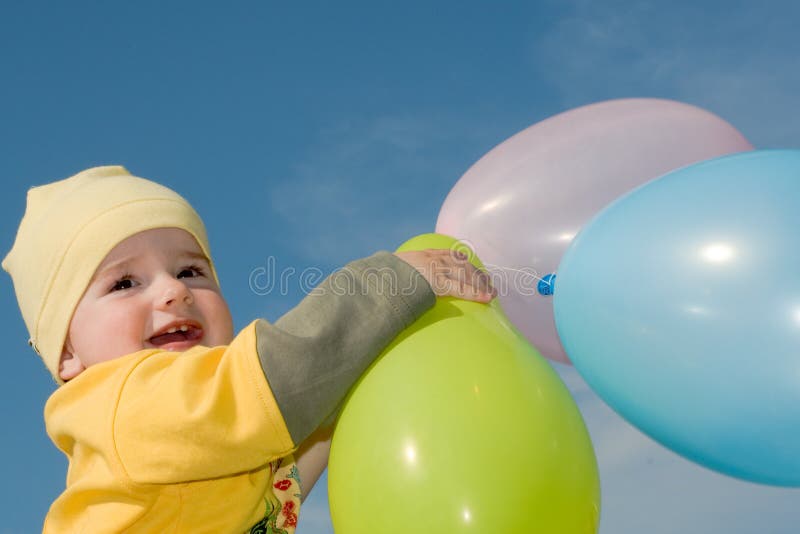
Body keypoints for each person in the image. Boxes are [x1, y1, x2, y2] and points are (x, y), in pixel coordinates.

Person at [3, 165, 496, 533]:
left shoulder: (206, 435)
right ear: (68, 354)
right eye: (126, 282)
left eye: (190, 271)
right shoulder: (122, 403)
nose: (174, 292)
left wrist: (362, 382)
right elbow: (275, 381)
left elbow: (281, 465)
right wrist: (389, 286)